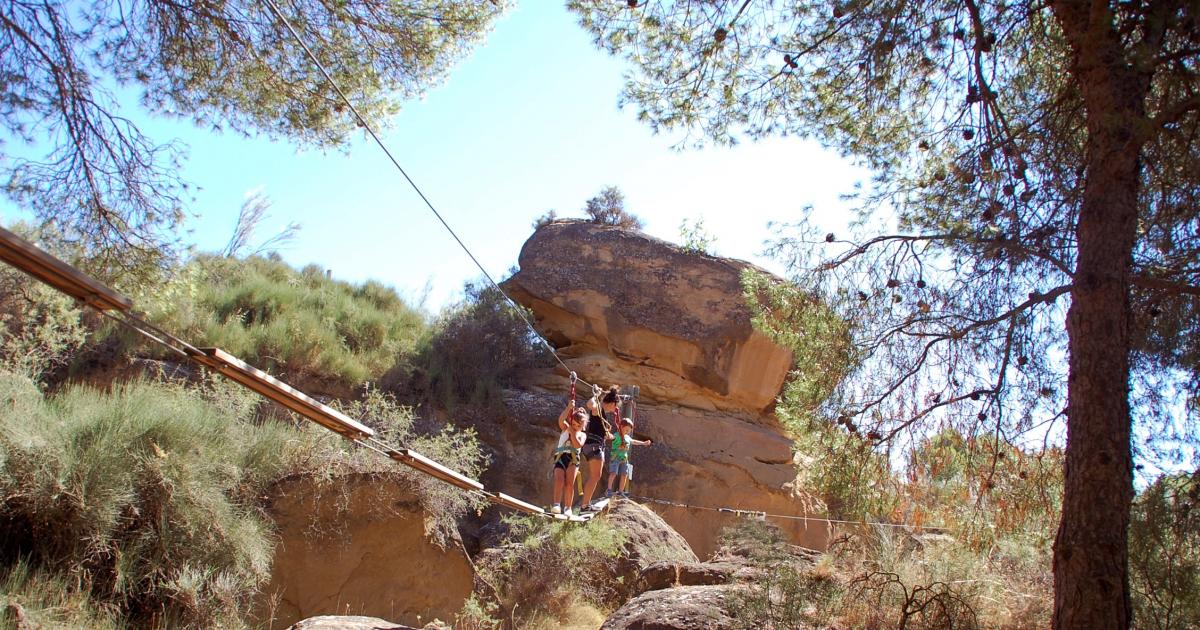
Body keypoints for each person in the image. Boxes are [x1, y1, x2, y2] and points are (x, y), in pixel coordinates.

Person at [579, 384, 618, 510]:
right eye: (615, 406)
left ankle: (585, 504)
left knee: (595, 476)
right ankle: (585, 505)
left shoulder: (602, 416)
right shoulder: (598, 410)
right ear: (612, 403)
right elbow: (590, 404)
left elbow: (605, 434)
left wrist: (615, 437)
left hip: (593, 445)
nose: (615, 409)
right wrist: (596, 395)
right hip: (594, 446)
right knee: (595, 476)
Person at [551, 401, 587, 516]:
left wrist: (573, 433)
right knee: (559, 480)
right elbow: (561, 420)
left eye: (579, 426)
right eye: (574, 424)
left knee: (569, 483)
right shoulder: (566, 428)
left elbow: (577, 445)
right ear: (571, 421)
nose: (576, 427)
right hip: (561, 457)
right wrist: (568, 407)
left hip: (573, 460)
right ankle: (556, 504)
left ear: (583, 426)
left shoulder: (582, 435)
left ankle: (568, 507)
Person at [606, 418, 652, 498]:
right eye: (626, 430)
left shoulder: (627, 437)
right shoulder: (616, 435)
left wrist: (643, 443)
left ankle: (620, 491)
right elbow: (611, 437)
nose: (627, 432)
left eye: (629, 430)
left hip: (624, 459)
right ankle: (609, 490)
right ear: (621, 427)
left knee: (624, 474)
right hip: (615, 457)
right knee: (613, 473)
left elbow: (633, 441)